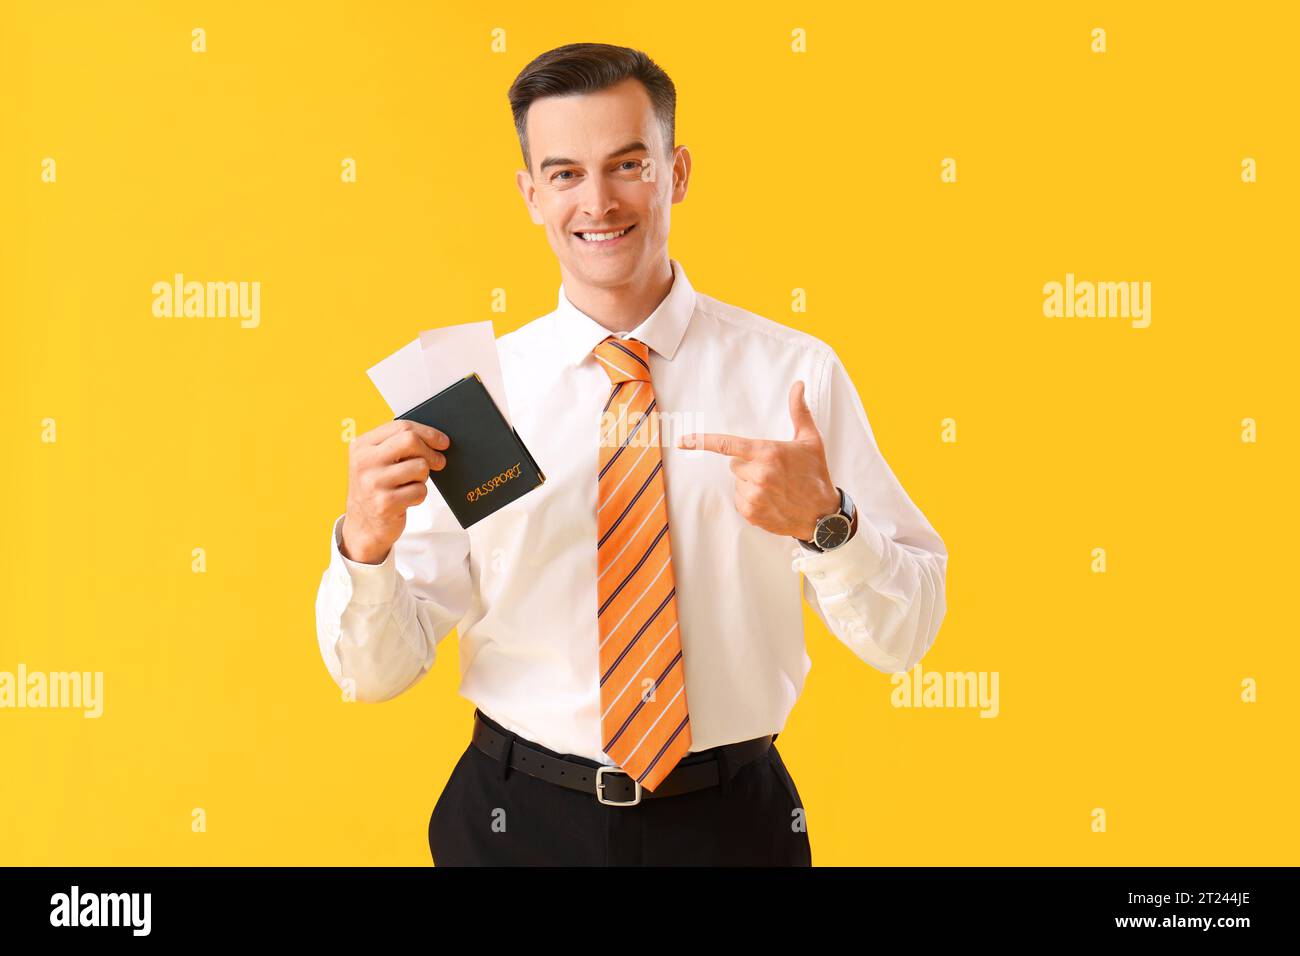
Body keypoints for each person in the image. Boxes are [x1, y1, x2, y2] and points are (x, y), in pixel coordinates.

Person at [314, 42, 948, 866]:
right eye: (566, 173)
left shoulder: (795, 375)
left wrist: (828, 526)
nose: (599, 201)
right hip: (514, 825)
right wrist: (365, 547)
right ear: (531, 193)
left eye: (627, 164)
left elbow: (906, 639)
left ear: (677, 173)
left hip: (732, 829)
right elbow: (375, 674)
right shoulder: (476, 397)